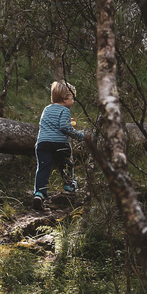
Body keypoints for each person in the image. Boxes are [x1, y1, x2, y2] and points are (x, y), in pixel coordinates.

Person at [33, 80, 85, 209]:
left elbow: (49, 123)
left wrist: (67, 121)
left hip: (43, 143)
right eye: (72, 98)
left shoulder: (47, 109)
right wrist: (79, 135)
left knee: (43, 168)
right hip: (59, 143)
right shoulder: (65, 110)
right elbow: (64, 127)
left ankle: (39, 194)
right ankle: (69, 186)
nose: (73, 101)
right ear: (64, 98)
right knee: (67, 163)